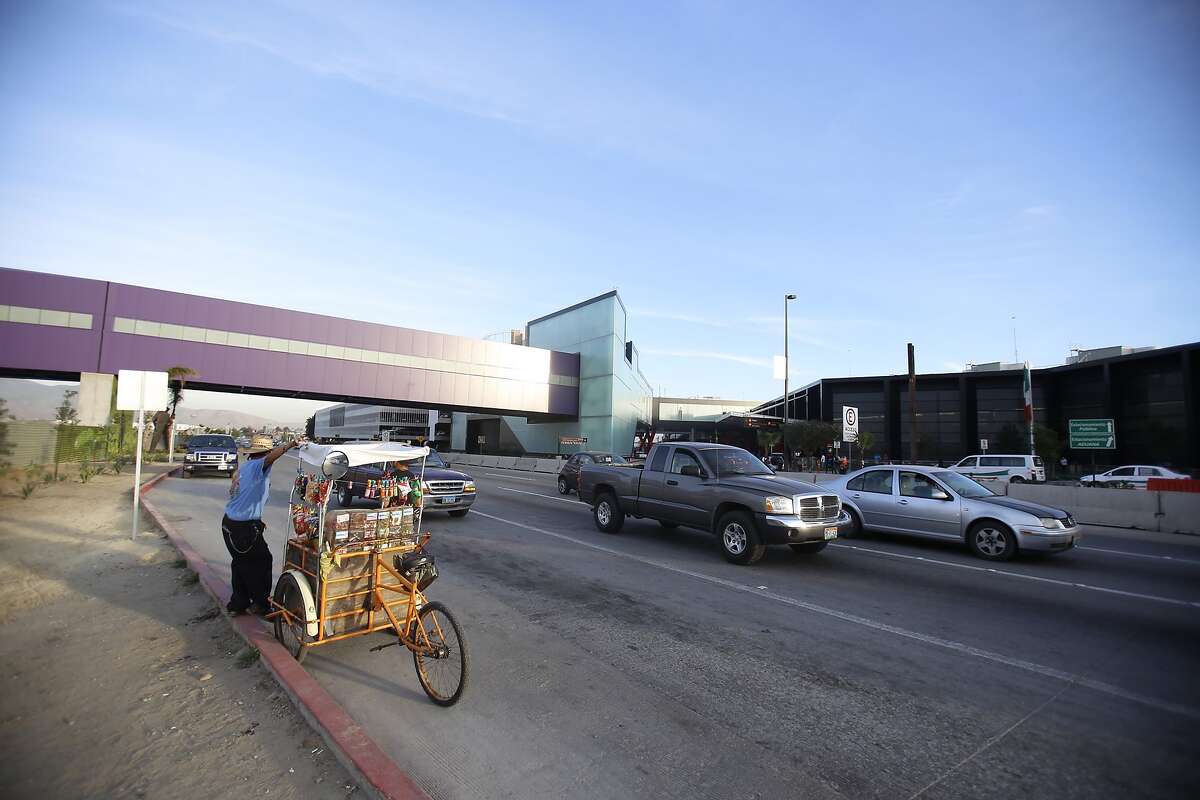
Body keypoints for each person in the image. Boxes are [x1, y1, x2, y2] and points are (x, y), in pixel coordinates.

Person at [221, 434, 301, 616]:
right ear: (267, 452)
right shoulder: (259, 465)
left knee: (240, 563)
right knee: (262, 562)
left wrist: (256, 518)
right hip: (242, 528)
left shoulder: (246, 467)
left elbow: (239, 487)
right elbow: (272, 458)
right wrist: (290, 445)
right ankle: (260, 604)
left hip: (231, 524)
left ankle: (238, 603)